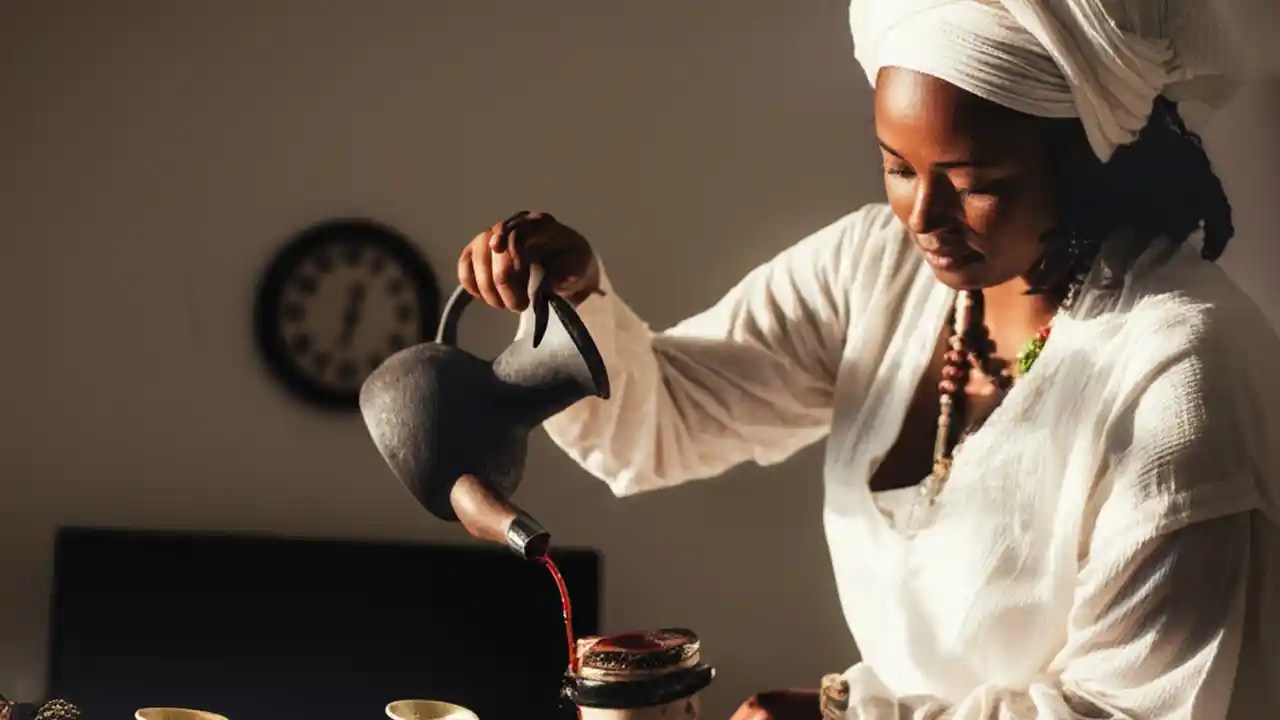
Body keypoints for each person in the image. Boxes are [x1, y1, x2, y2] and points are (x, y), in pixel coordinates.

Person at [456, 1, 1279, 717]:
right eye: (897, 166)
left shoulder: (1180, 373)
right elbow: (669, 418)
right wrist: (575, 299)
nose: (923, 215)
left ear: (1086, 163)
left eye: (974, 180)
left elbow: (1130, 709)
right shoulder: (879, 271)